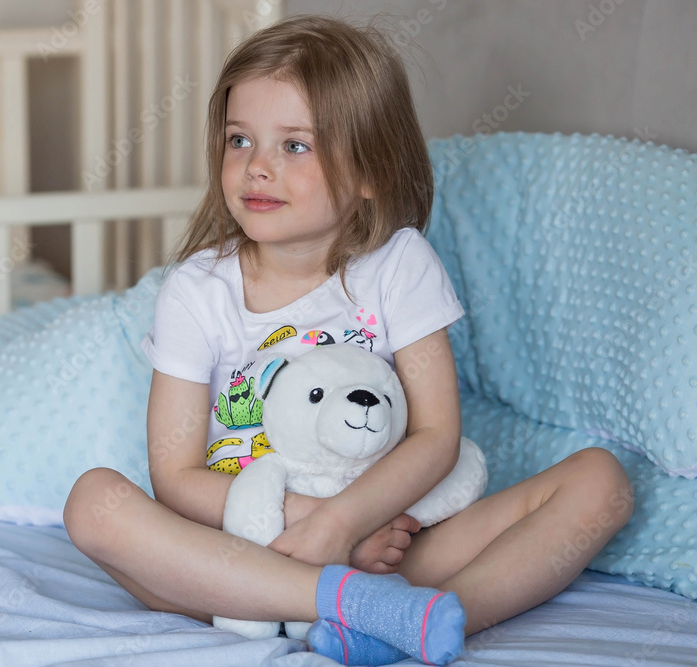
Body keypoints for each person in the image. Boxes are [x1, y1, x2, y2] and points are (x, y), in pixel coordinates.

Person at [64, 14, 633, 666]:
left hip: (394, 545)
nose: (257, 168)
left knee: (602, 481)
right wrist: (311, 522)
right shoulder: (198, 291)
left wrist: (347, 524)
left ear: (370, 170)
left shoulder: (398, 266)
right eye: (240, 140)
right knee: (94, 502)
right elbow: (176, 474)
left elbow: (435, 435)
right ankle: (340, 600)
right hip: (243, 555)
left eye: (295, 146)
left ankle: (409, 618)